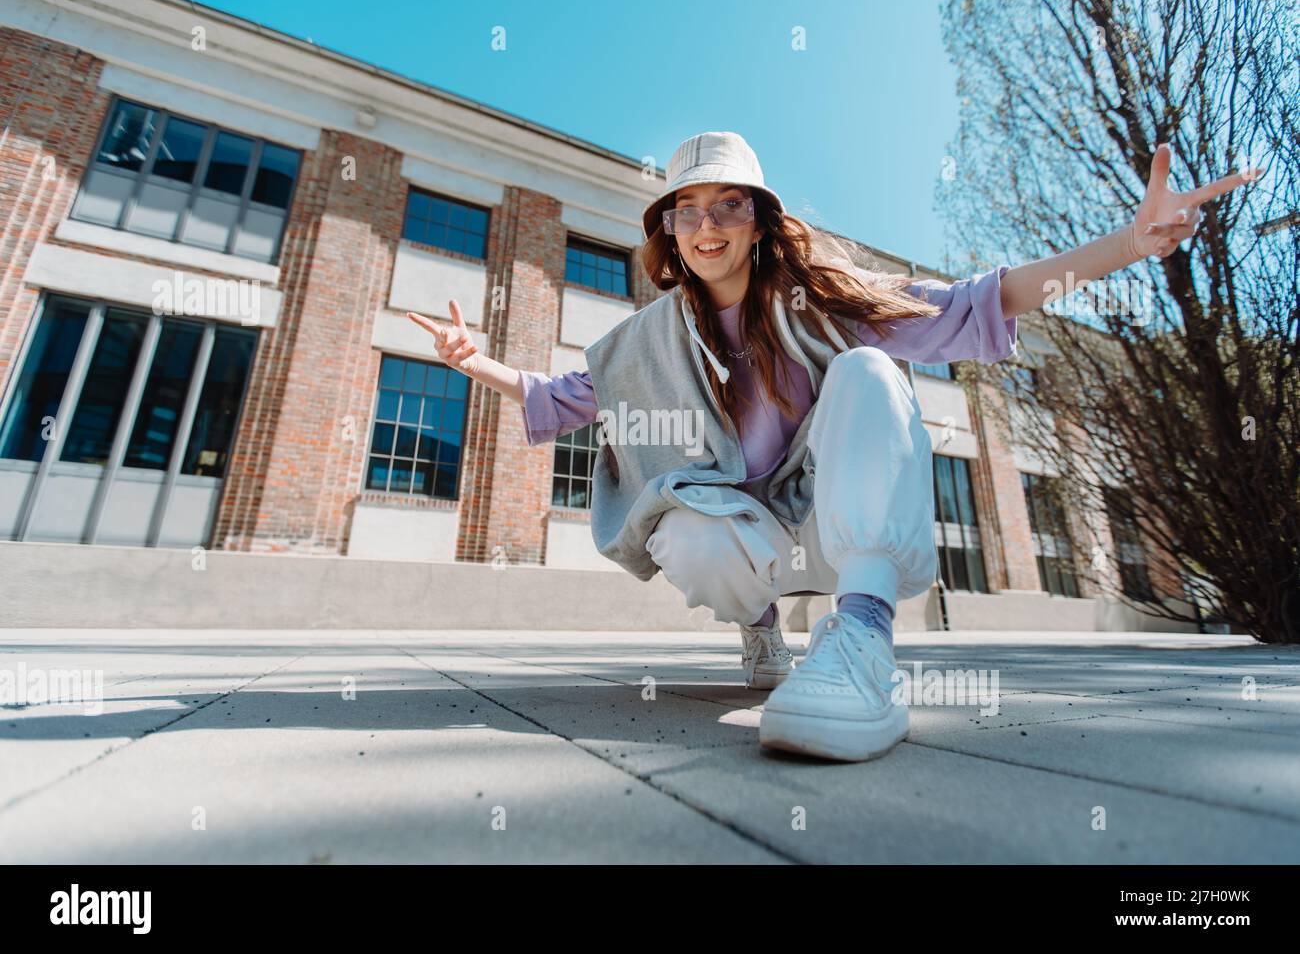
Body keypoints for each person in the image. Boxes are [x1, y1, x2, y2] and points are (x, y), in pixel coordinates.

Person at [408, 131, 1259, 762]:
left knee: (867, 371)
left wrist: (1127, 244)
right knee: (686, 525)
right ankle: (762, 627)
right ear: (668, 233)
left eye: (728, 206)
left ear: (757, 219)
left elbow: (975, 302)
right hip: (747, 540)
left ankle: (861, 641)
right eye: (687, 211)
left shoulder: (820, 297)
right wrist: (475, 361)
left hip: (832, 523)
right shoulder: (644, 342)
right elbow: (560, 401)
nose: (708, 226)